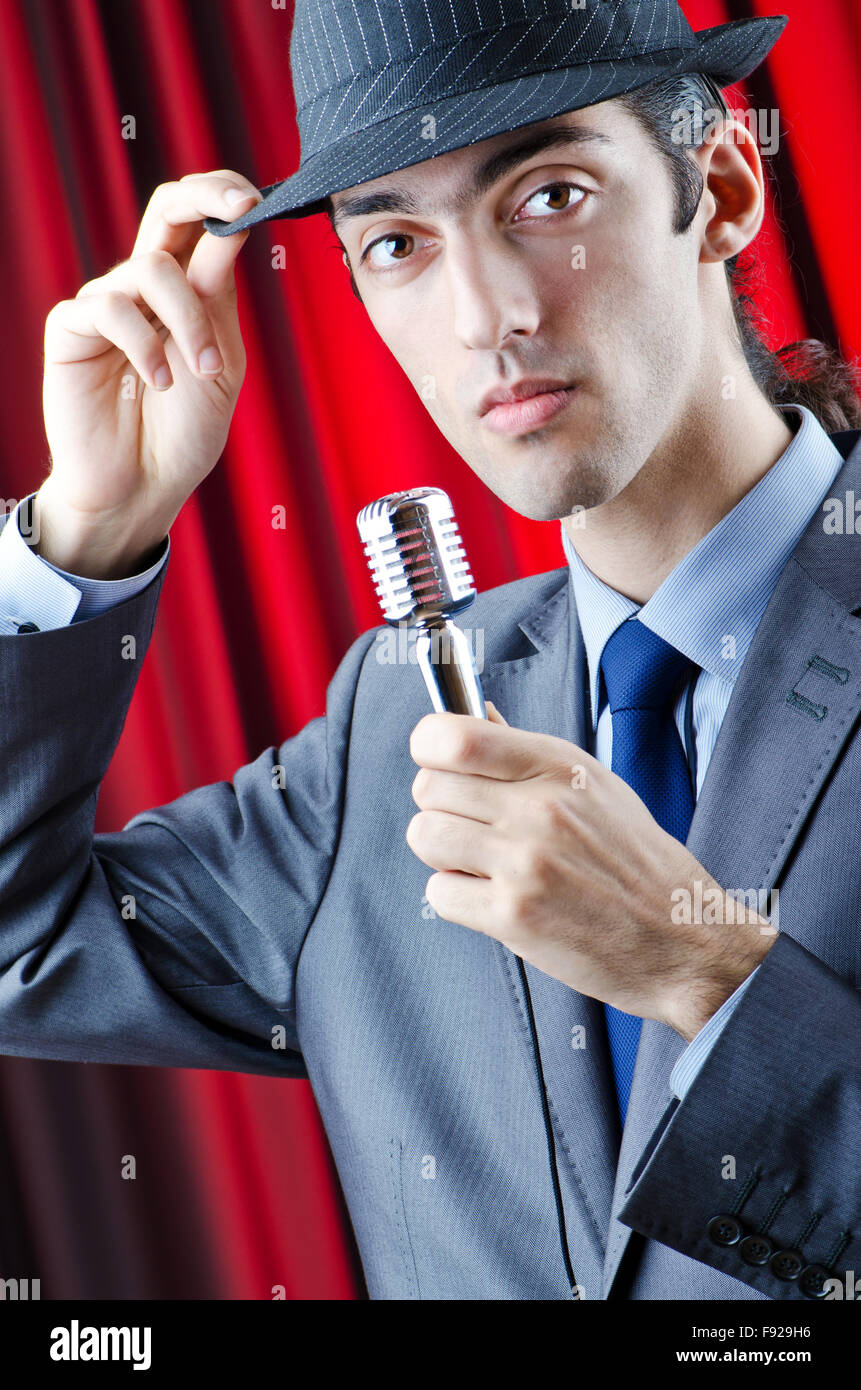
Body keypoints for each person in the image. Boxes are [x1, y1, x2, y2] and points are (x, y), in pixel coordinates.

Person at [1, 0, 858, 1301]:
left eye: (551, 193)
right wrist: (84, 535)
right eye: (397, 241)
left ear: (723, 187)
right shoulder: (378, 736)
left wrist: (699, 969)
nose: (484, 313)